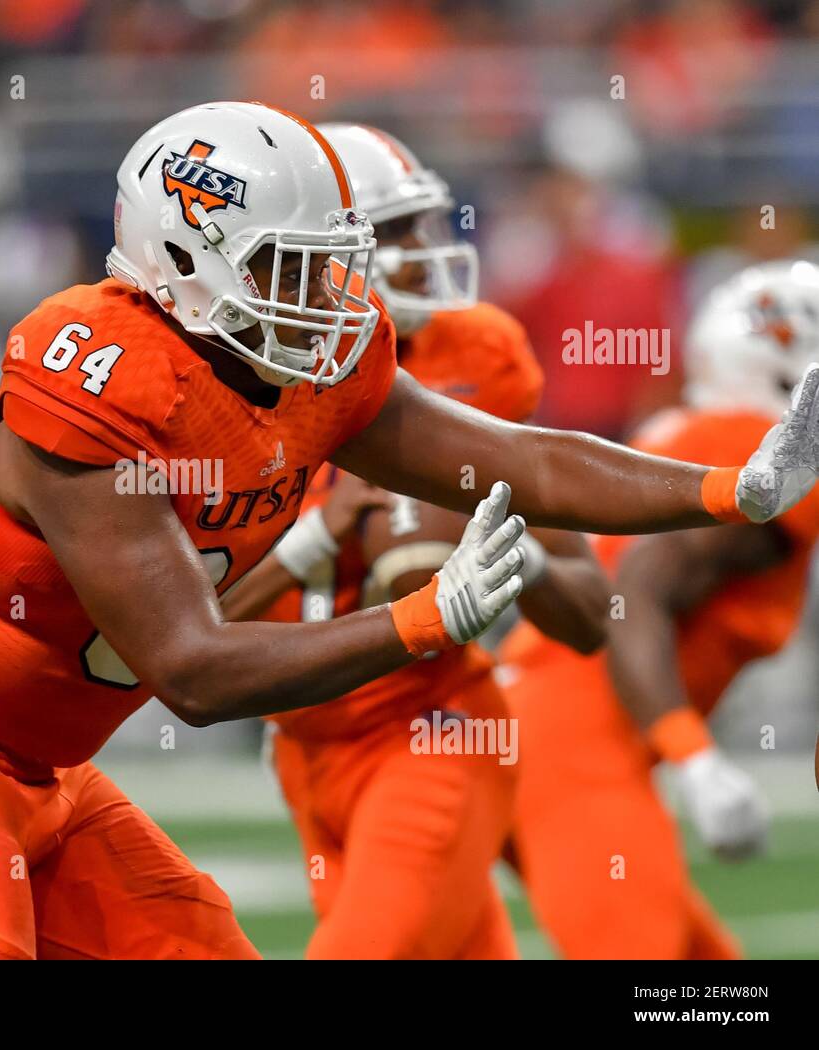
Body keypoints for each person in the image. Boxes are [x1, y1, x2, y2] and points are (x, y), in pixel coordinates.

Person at [0, 101, 819, 960]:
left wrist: (732, 487)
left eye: (327, 257)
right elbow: (197, 671)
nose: (326, 291)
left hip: (44, 767)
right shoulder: (103, 376)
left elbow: (520, 460)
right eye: (287, 264)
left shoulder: (313, 370)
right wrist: (423, 618)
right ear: (186, 256)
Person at [217, 123, 609, 959]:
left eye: (421, 226)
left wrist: (514, 555)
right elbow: (177, 637)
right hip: (302, 750)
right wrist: (314, 538)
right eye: (392, 234)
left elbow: (589, 614)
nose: (424, 252)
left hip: (432, 727)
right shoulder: (225, 375)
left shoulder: (477, 357)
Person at [501, 260, 819, 958]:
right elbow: (636, 591)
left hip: (551, 728)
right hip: (576, 747)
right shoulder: (755, 452)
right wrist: (694, 758)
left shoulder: (700, 433)